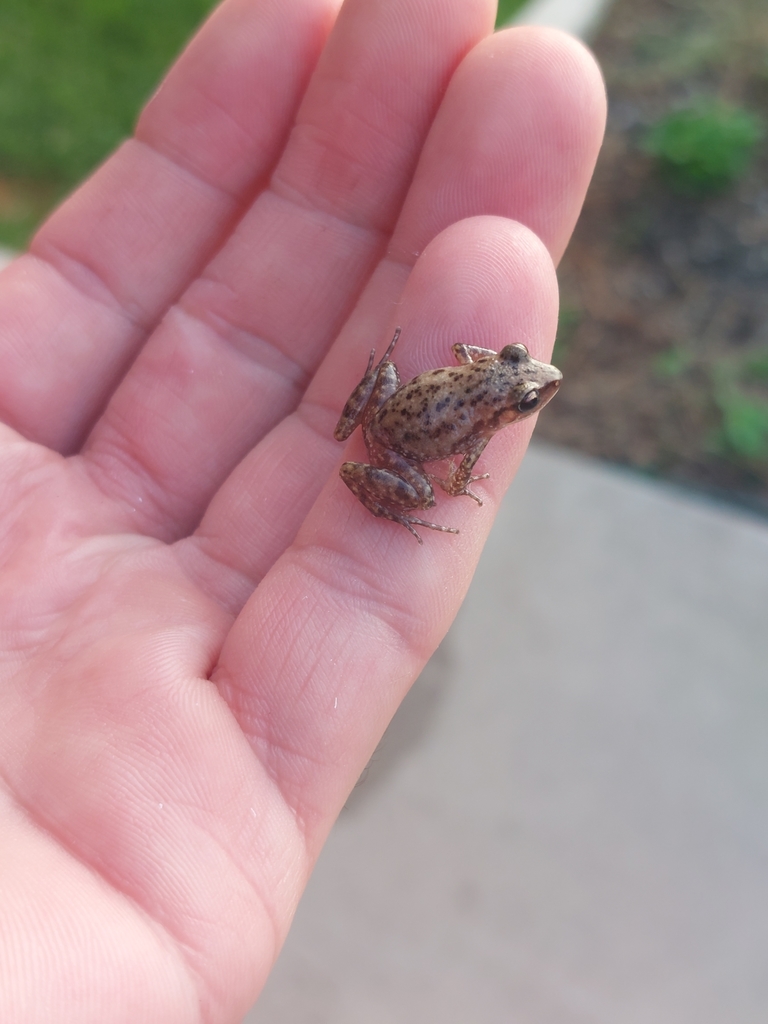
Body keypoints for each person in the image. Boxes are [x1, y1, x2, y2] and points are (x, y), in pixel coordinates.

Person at [0, 0, 605, 1019]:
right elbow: (458, 461)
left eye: (521, 380)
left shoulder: (478, 386)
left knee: (383, 414)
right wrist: (438, 492)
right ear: (515, 386)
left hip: (389, 411)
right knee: (401, 484)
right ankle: (391, 505)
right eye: (524, 378)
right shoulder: (487, 420)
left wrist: (424, 396)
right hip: (402, 448)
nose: (524, 377)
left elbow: (455, 388)